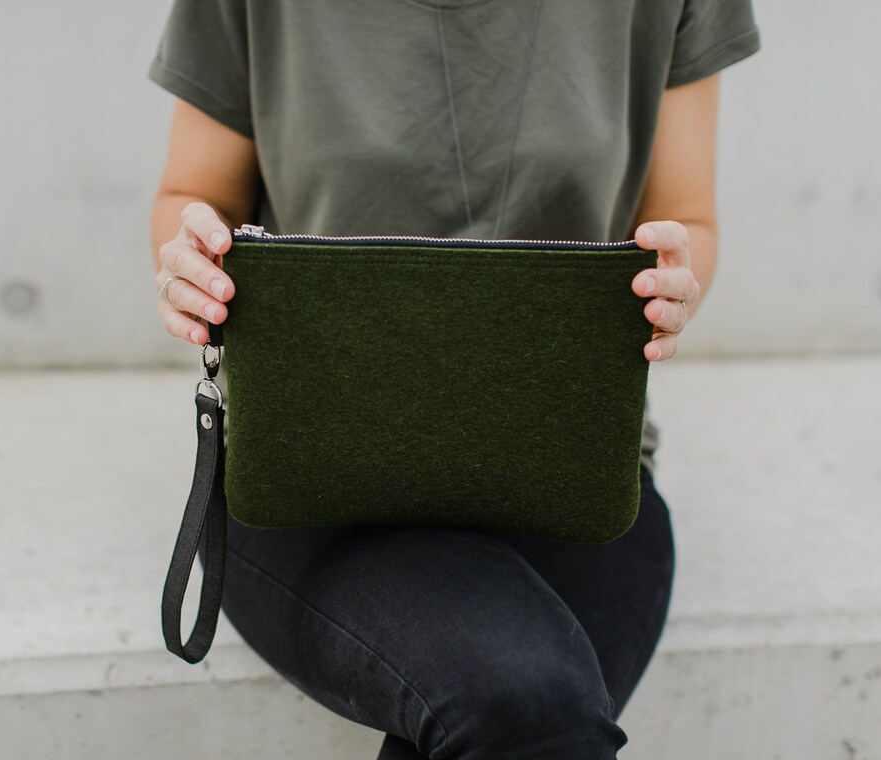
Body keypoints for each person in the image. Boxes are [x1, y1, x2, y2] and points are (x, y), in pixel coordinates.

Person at [148, 2, 759, 757]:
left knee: (527, 708)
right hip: (305, 486)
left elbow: (686, 218)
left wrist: (676, 280)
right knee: (528, 704)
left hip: (572, 476)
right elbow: (191, 200)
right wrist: (191, 263)